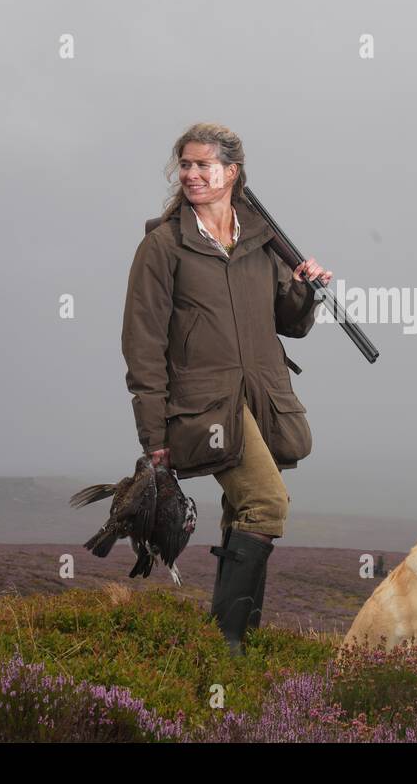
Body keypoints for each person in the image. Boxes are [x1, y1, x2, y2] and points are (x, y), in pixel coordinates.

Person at [121, 122, 331, 656]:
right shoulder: (164, 245)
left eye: (202, 166)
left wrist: (305, 291)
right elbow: (142, 346)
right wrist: (153, 435)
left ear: (231, 172)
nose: (191, 175)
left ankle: (237, 646)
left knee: (242, 513)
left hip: (263, 399)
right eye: (185, 165)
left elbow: (288, 322)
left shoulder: (261, 242)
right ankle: (229, 643)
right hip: (203, 408)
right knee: (266, 503)